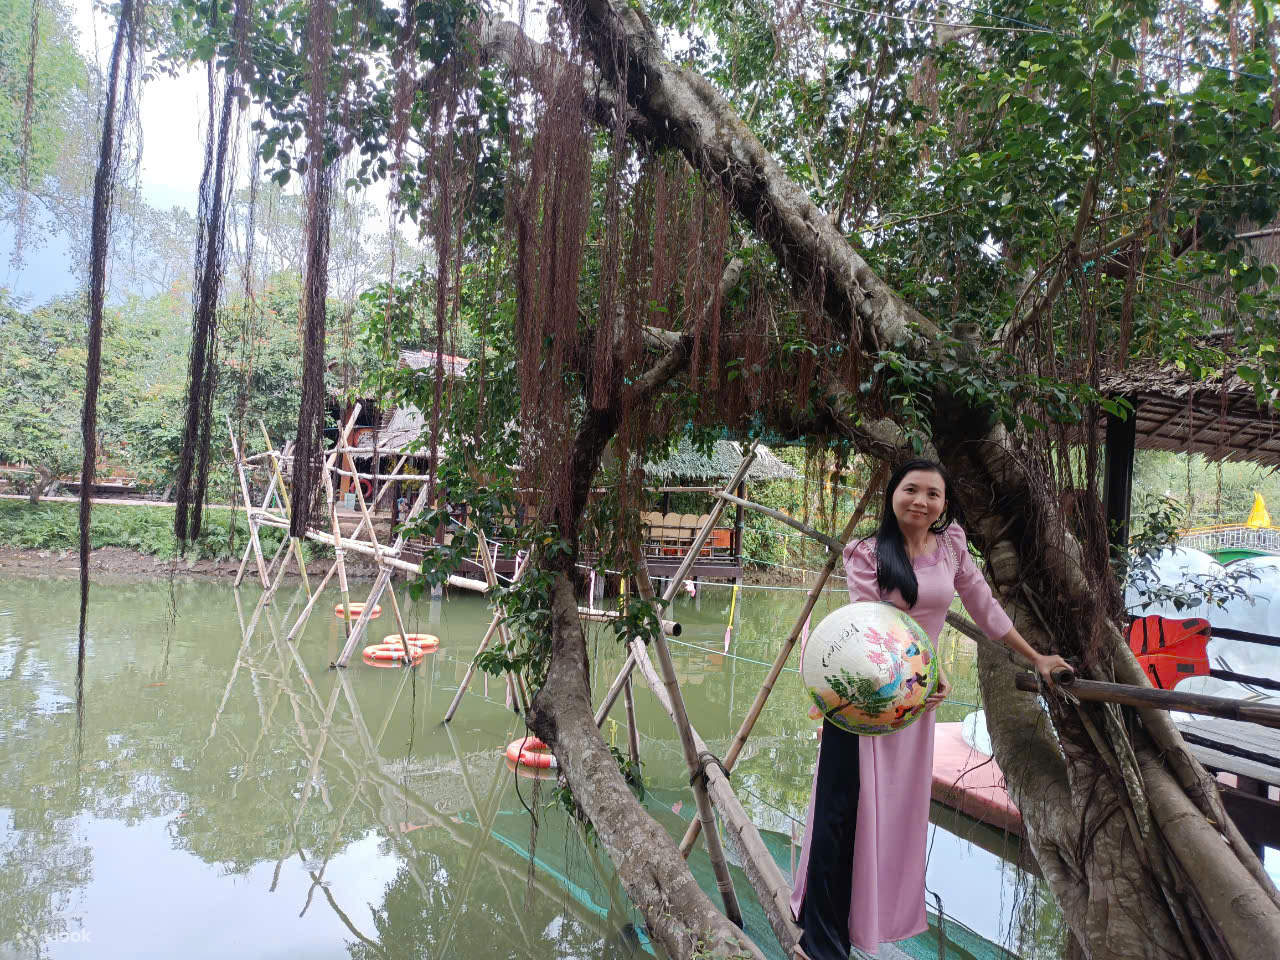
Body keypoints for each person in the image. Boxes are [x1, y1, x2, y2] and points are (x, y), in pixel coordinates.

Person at [790, 459, 1070, 960]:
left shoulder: (951, 547)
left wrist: (1036, 657)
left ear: (944, 504)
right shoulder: (867, 553)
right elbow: (869, 627)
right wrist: (925, 665)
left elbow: (985, 607)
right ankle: (820, 941)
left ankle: (858, 926)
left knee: (891, 817)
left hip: (916, 708)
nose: (921, 501)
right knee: (841, 815)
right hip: (863, 702)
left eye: (933, 494)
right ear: (892, 494)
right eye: (911, 490)